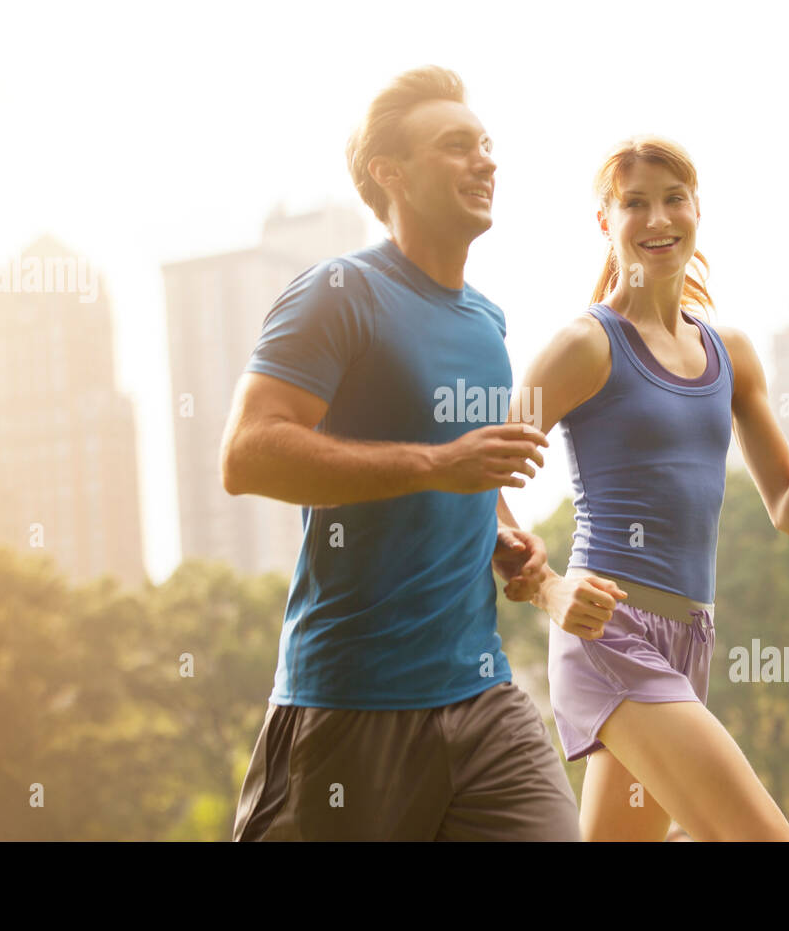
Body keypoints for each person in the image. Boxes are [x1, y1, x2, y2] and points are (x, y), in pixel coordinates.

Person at [222, 65, 580, 841]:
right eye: (457, 146)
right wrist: (435, 466)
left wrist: (504, 536)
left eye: (486, 145)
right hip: (353, 702)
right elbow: (247, 453)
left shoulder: (488, 322)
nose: (485, 161)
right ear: (391, 175)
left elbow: (466, 471)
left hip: (482, 695)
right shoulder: (338, 291)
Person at [511, 135, 789, 841]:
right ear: (605, 222)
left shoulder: (730, 353)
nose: (657, 219)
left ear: (697, 208)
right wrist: (546, 585)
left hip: (691, 637)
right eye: (634, 203)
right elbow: (474, 472)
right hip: (609, 632)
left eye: (673, 199)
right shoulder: (585, 346)